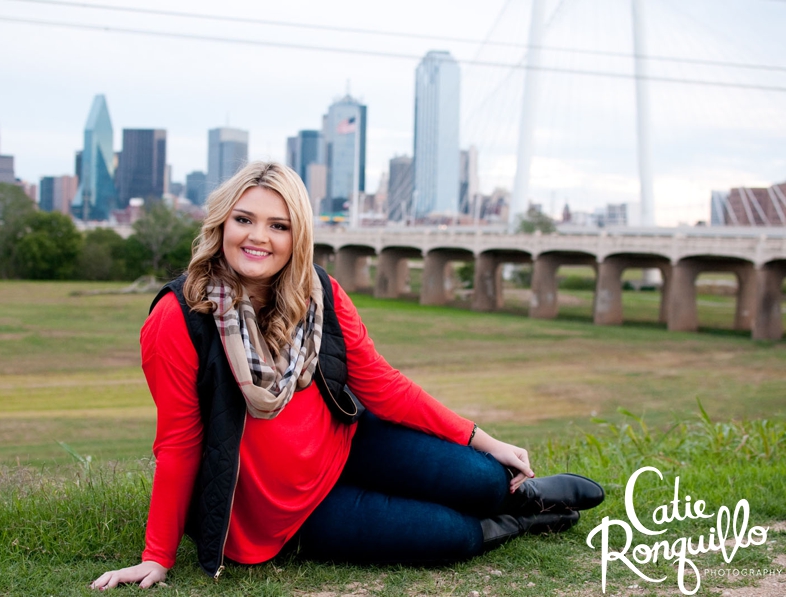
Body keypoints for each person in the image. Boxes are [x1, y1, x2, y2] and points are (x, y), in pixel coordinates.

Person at [90, 162, 603, 591]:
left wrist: (482, 438)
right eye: (244, 219)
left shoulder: (319, 295)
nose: (258, 237)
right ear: (222, 222)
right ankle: (517, 523)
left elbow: (381, 383)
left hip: (347, 441)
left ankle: (524, 495)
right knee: (451, 538)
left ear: (298, 236)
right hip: (280, 510)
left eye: (279, 225)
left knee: (484, 476)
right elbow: (179, 442)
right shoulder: (179, 317)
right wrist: (157, 556)